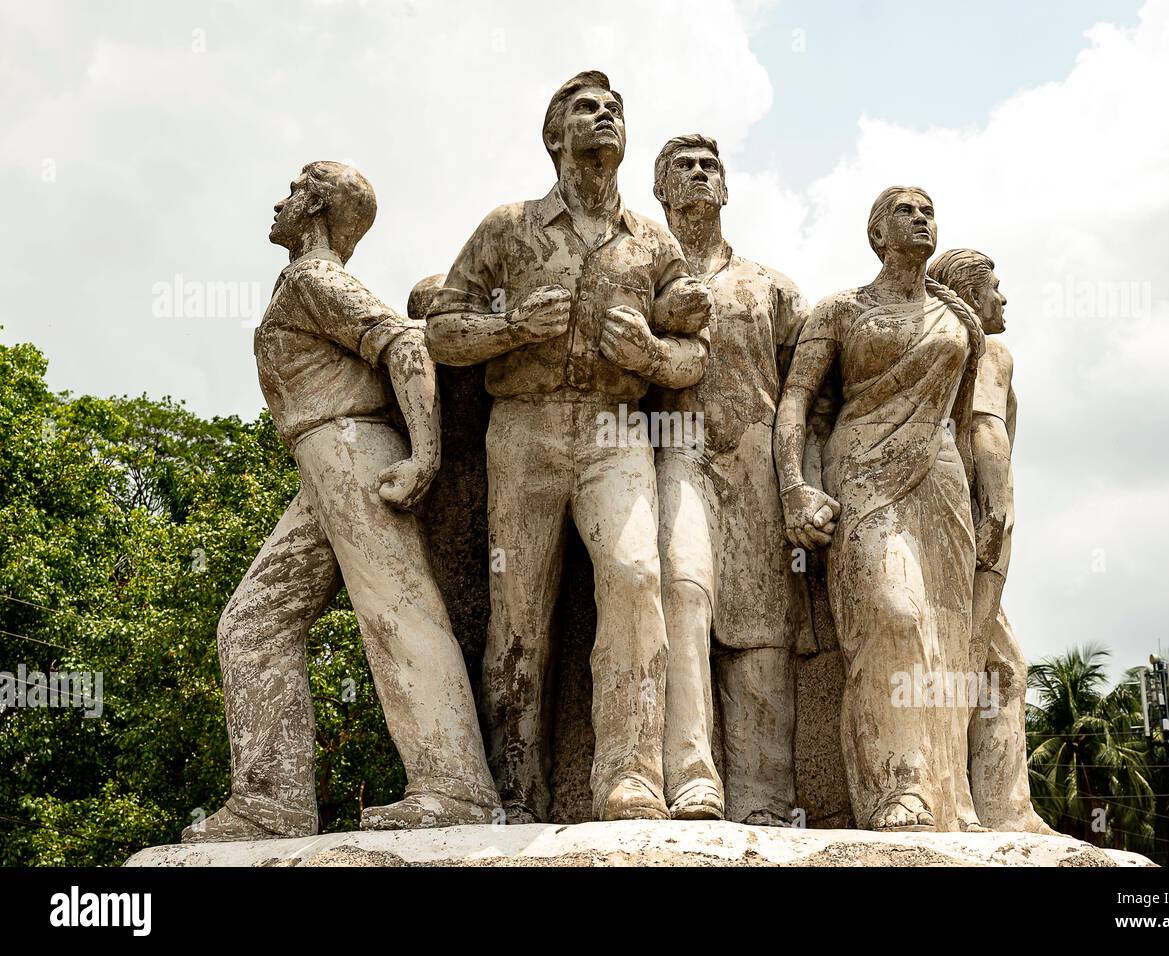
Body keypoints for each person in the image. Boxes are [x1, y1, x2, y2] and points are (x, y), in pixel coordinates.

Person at [425, 72, 713, 823]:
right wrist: (512, 328)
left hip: (617, 428)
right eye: (587, 108)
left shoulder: (651, 239)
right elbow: (443, 331)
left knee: (635, 576)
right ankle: (513, 790)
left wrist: (650, 354)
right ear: (555, 136)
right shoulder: (507, 227)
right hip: (523, 428)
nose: (605, 115)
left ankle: (630, 776)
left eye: (615, 108)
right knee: (517, 609)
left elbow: (696, 358)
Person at [184, 162, 499, 842]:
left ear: (319, 208)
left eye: (295, 189)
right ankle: (271, 806)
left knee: (396, 609)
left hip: (355, 452)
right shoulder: (301, 280)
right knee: (253, 623)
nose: (279, 200)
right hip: (323, 462)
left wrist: (425, 454)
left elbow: (407, 342)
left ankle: (456, 789)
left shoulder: (313, 279)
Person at [773, 186, 987, 831]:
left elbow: (966, 419)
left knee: (945, 640)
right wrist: (793, 487)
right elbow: (795, 401)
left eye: (929, 211)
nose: (922, 219)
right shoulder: (841, 310)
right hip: (863, 475)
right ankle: (896, 788)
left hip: (941, 484)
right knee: (892, 618)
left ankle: (949, 796)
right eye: (906, 211)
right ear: (877, 236)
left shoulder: (959, 322)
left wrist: (989, 499)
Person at [651, 134, 816, 825]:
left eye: (709, 166)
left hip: (755, 461)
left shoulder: (769, 285)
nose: (697, 174)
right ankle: (691, 778)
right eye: (682, 167)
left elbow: (814, 382)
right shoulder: (641, 273)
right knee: (683, 596)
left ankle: (767, 802)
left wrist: (804, 480)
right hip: (673, 448)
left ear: (725, 187)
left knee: (762, 631)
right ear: (659, 189)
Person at [927, 248, 1055, 834]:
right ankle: (959, 801)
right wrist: (997, 510)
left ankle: (1001, 803)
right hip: (977, 516)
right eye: (995, 288)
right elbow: (985, 430)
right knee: (974, 659)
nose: (1004, 299)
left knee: (995, 663)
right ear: (971, 294)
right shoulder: (986, 350)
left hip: (965, 512)